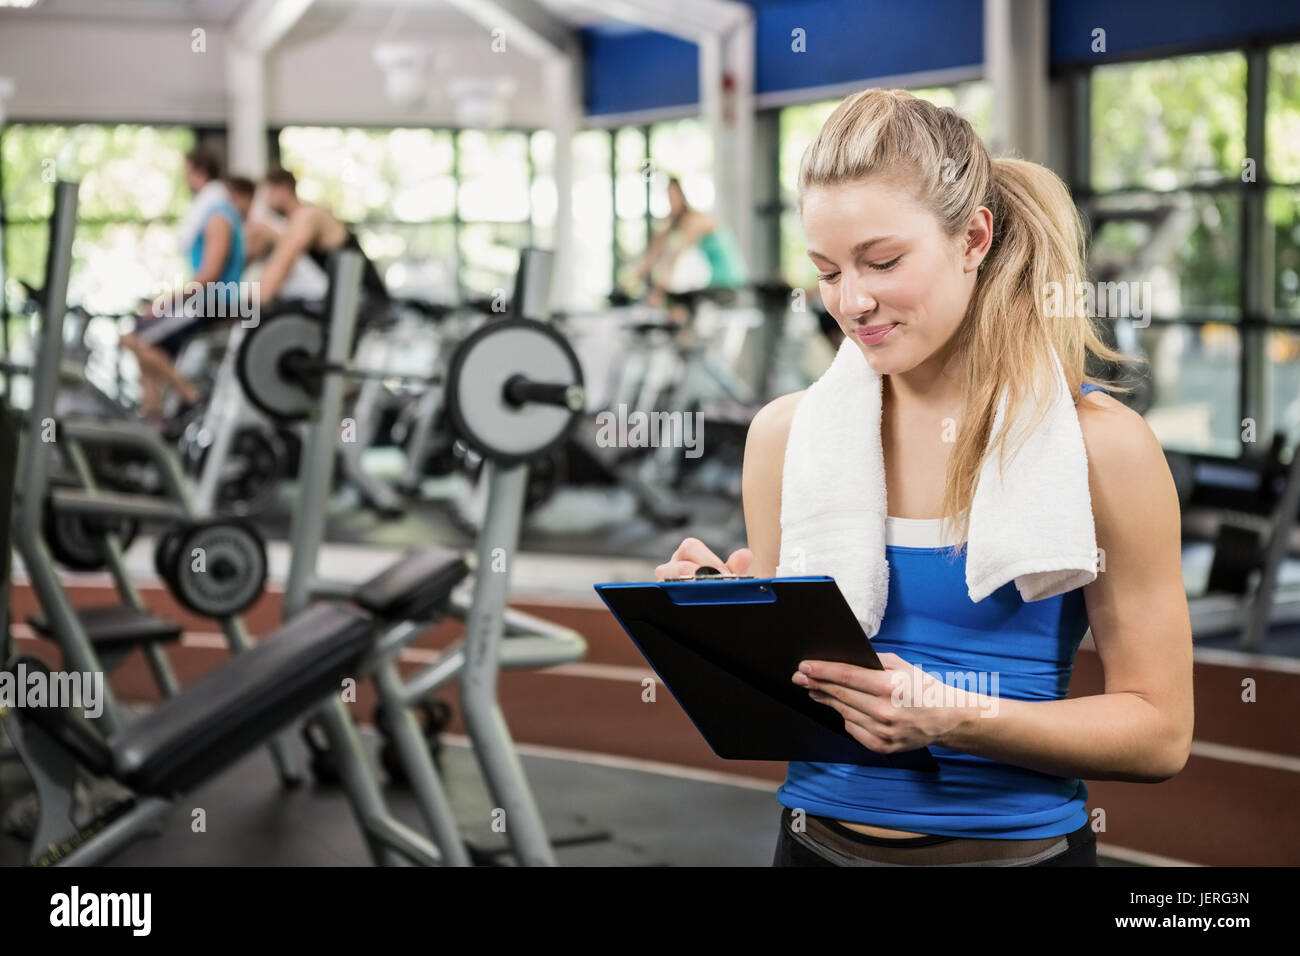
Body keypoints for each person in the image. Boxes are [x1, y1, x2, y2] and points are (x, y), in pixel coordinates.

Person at [655, 89, 1193, 866]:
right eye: (827, 271)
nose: (852, 301)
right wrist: (713, 623)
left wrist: (956, 717)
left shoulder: (1101, 448)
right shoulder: (786, 437)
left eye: (882, 262)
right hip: (811, 847)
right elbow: (795, 698)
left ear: (974, 237)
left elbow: (1161, 732)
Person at [121, 148, 244, 422]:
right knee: (146, 343)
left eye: (187, 174)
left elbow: (210, 274)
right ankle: (153, 418)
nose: (184, 181)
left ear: (199, 174)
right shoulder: (211, 211)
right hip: (205, 301)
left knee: (135, 339)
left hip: (213, 302)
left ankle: (191, 397)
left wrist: (165, 301)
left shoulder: (218, 215)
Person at [254, 166, 388, 313]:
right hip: (346, 307)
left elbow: (281, 264)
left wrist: (247, 305)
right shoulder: (293, 222)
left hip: (367, 306)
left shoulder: (308, 216)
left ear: (283, 189)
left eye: (266, 194)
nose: (264, 202)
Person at [635, 176, 747, 308]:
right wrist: (632, 279)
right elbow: (653, 254)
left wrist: (660, 291)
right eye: (666, 198)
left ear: (682, 196)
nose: (669, 203)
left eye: (672, 197)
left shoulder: (696, 220)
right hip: (711, 284)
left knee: (678, 303)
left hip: (727, 285)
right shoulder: (673, 224)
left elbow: (675, 252)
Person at [224, 176, 329, 303]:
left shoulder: (305, 217)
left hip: (314, 299)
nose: (266, 200)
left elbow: (281, 266)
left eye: (268, 193)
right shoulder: (280, 224)